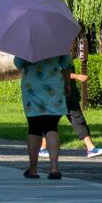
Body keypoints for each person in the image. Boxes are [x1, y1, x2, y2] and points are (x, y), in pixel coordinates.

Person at [41, 48, 102, 158]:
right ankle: (42, 148)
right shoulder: (53, 55)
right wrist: (77, 76)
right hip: (57, 95)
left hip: (69, 94)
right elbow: (57, 73)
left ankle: (91, 148)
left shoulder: (65, 54)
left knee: (78, 120)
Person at [13, 51, 71, 180]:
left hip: (32, 87)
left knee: (34, 127)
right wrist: (67, 84)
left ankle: (33, 169)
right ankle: (54, 168)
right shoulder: (58, 40)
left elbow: (18, 63)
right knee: (51, 126)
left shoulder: (27, 41)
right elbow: (66, 65)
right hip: (54, 86)